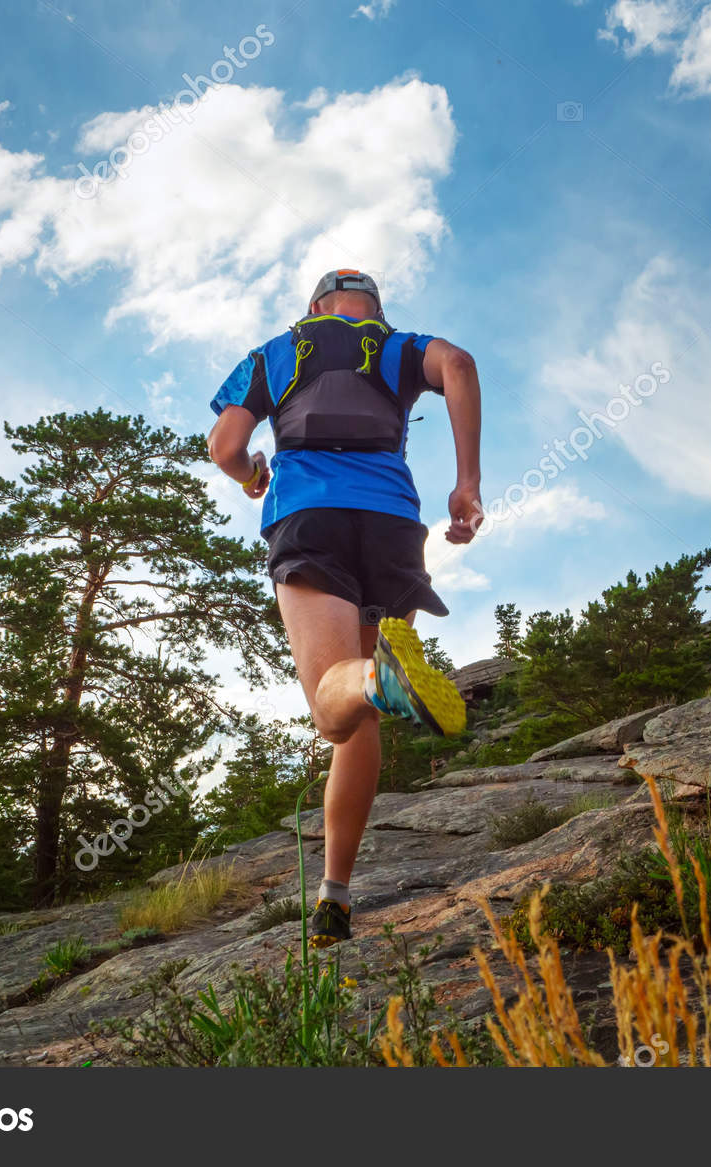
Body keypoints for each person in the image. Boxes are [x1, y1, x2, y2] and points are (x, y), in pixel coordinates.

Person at [208, 269, 483, 947]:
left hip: (310, 513)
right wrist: (467, 483)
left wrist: (253, 478)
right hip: (392, 523)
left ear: (316, 306)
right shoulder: (395, 346)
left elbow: (226, 448)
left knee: (338, 709)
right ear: (374, 310)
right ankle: (335, 892)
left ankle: (376, 677)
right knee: (364, 720)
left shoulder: (280, 350)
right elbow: (460, 365)